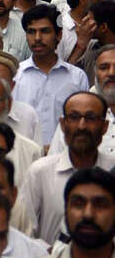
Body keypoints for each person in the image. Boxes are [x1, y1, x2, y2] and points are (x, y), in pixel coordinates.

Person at [18, 91, 115, 243]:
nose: (82, 126)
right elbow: (24, 232)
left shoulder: (112, 169)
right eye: (74, 117)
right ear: (63, 124)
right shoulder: (40, 172)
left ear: (104, 127)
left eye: (90, 118)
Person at [13, 5, 89, 142]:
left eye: (45, 31)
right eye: (31, 32)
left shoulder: (77, 77)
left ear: (59, 35)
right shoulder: (15, 76)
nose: (37, 38)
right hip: (25, 157)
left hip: (65, 157)